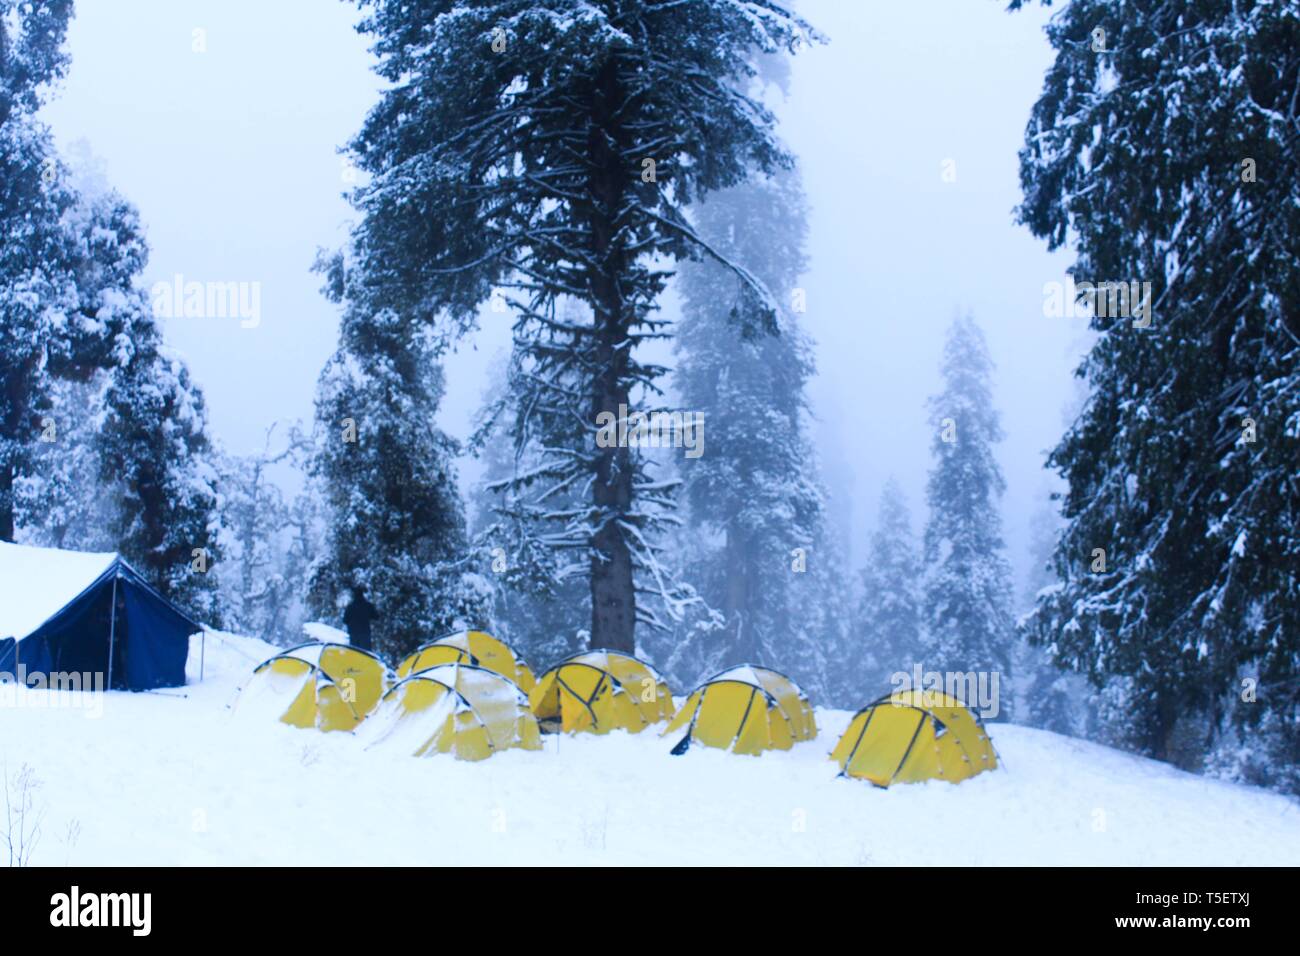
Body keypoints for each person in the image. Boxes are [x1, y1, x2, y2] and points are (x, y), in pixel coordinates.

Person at [342, 586, 377, 653]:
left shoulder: (350, 607)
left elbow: (345, 620)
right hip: (365, 634)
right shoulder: (368, 606)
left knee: (354, 653)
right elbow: (376, 617)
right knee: (366, 654)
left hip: (354, 634)